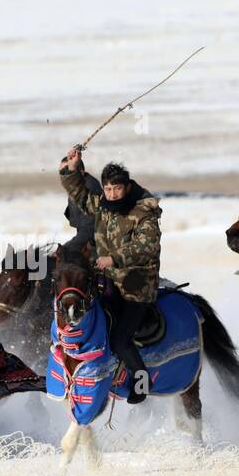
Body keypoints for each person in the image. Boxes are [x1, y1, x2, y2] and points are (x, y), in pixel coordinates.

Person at [59, 147, 161, 404]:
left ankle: (141, 380)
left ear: (126, 187)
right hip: (107, 282)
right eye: (108, 188)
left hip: (136, 288)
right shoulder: (102, 206)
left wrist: (114, 258)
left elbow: (147, 247)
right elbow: (80, 195)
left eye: (117, 188)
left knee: (119, 339)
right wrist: (72, 168)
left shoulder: (142, 213)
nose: (112, 194)